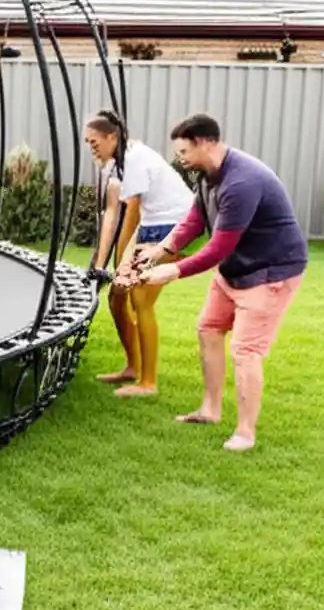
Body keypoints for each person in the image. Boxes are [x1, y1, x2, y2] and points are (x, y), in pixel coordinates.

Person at [134, 113, 307, 451]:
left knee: (246, 350)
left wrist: (172, 270)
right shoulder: (207, 175)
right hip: (234, 270)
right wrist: (159, 251)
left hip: (270, 271)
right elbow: (194, 221)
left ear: (204, 143)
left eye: (184, 152)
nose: (180, 159)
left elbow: (219, 247)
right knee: (209, 328)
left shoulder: (241, 182)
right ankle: (210, 409)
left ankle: (245, 433)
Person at [84, 109, 194, 398]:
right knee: (117, 298)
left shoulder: (134, 159)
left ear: (112, 137)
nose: (91, 147)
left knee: (140, 298)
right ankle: (133, 367)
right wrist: (99, 264)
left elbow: (130, 215)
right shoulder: (114, 164)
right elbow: (111, 214)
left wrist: (122, 266)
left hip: (176, 227)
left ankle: (148, 382)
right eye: (87, 142)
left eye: (94, 142)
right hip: (153, 227)